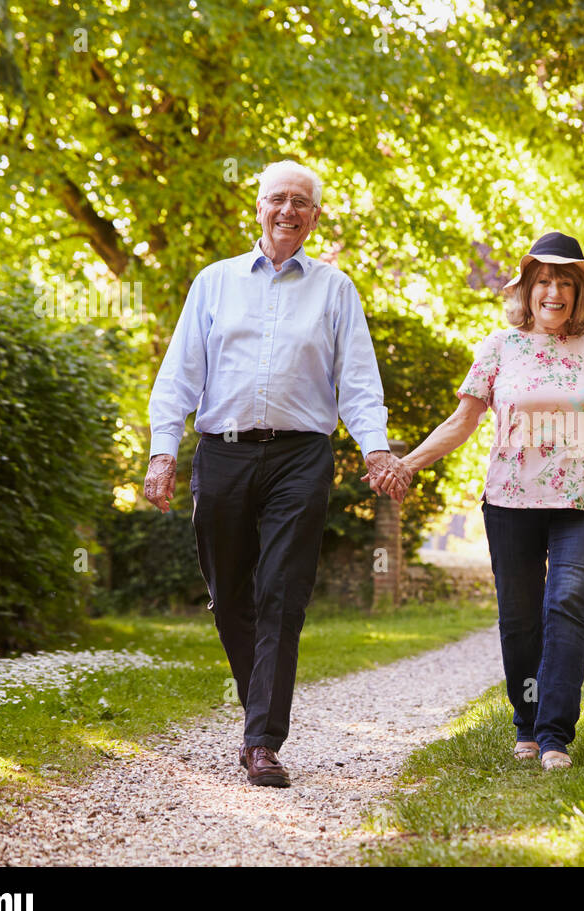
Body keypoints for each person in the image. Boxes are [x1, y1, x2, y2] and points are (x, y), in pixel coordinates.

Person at [143, 160, 411, 787]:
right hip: (224, 451)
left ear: (316, 216)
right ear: (258, 208)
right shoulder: (214, 283)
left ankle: (263, 739)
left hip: (300, 456)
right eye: (277, 200)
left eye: (302, 202)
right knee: (230, 593)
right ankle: (257, 708)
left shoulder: (335, 290)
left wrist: (375, 449)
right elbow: (179, 373)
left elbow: (360, 384)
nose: (288, 211)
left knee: (281, 593)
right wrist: (162, 452)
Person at [375, 232, 584, 770]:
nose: (554, 292)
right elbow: (462, 422)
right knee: (520, 619)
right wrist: (406, 463)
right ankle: (525, 722)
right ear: (528, 289)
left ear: (579, 294)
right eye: (544, 281)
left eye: (566, 283)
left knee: (567, 606)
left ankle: (555, 734)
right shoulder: (499, 347)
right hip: (512, 499)